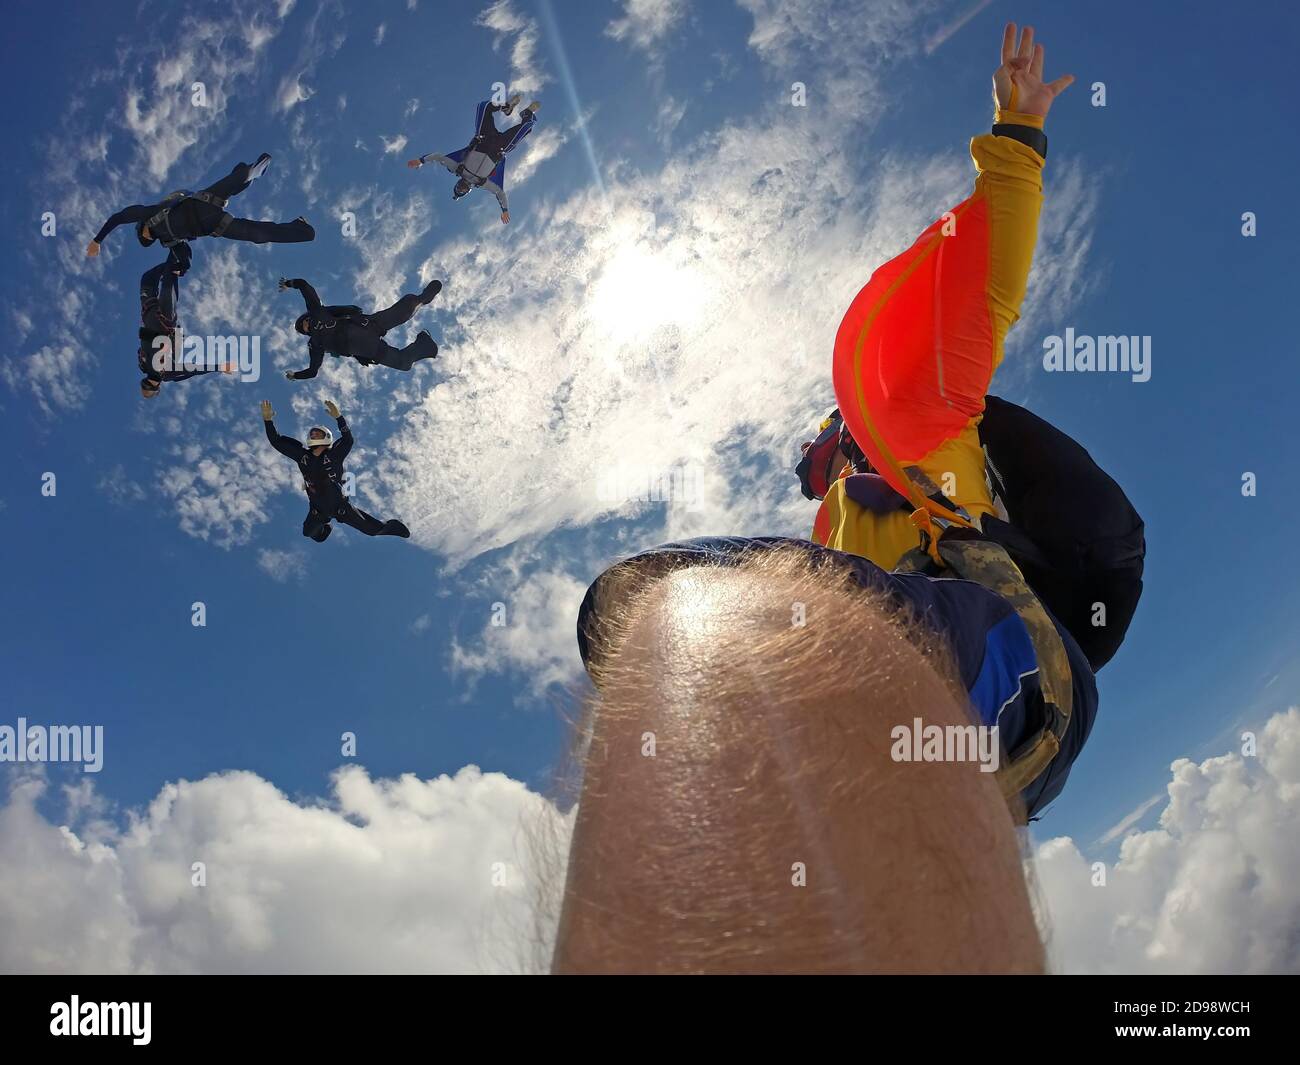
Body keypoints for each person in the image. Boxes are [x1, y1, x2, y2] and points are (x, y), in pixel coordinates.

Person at [555, 24, 1083, 974]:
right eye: (812, 470)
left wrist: (1017, 132)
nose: (822, 473)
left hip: (1010, 656)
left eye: (824, 453)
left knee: (678, 609)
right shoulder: (836, 549)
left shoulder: (921, 422)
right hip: (942, 715)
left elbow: (988, 290)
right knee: (680, 615)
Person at [86, 154, 313, 256]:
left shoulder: (150, 213)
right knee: (258, 235)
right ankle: (302, 229)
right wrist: (178, 269)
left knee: (241, 177)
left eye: (143, 235)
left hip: (203, 202)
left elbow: (119, 217)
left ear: (140, 228)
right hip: (214, 225)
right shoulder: (168, 241)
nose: (147, 237)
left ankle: (249, 172)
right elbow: (182, 257)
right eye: (148, 240)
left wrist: (98, 239)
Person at [261, 399, 411, 542]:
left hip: (340, 506)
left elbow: (348, 440)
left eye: (317, 433)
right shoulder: (302, 456)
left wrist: (339, 418)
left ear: (327, 437)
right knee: (308, 533)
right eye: (312, 433)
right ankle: (325, 528)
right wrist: (268, 421)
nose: (313, 434)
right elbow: (276, 441)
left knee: (371, 531)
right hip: (318, 508)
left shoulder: (334, 454)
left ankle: (392, 526)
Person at [407, 95, 540, 223]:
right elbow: (500, 193)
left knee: (483, 107)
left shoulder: (457, 168)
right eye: (463, 191)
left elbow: (438, 157)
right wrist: (505, 209)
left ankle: (507, 107)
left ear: (457, 183)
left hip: (484, 138)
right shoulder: (482, 183)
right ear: (468, 191)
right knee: (527, 126)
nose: (461, 187)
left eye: (458, 187)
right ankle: (527, 113)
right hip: (500, 148)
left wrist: (421, 161)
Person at [279, 276, 441, 379]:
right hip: (364, 347)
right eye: (303, 329)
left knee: (402, 312)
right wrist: (296, 376)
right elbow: (313, 370)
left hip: (364, 327)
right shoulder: (315, 344)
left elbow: (305, 286)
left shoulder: (317, 313)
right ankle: (424, 344)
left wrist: (289, 283)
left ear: (307, 317)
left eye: (305, 322)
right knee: (403, 363)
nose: (306, 326)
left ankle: (422, 299)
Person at [137, 243, 234, 397]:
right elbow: (192, 368)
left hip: (151, 311)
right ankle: (178, 243)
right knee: (169, 278)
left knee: (150, 278)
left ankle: (176, 252)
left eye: (145, 386)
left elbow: (144, 342)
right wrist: (219, 366)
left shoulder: (143, 366)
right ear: (155, 388)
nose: (146, 384)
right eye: (147, 387)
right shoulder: (167, 373)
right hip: (164, 320)